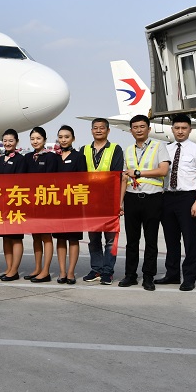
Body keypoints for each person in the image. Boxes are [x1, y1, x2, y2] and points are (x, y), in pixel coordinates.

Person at [157, 114, 196, 292]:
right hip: (167, 198)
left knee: (190, 240)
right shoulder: (165, 149)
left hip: (187, 198)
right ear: (172, 129)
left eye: (184, 128)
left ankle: (189, 278)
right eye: (177, 128)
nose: (180, 131)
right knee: (171, 240)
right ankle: (172, 274)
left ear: (190, 130)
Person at [120, 115, 170, 291]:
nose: (139, 130)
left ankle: (148, 276)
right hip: (131, 198)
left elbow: (163, 170)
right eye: (135, 127)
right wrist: (120, 203)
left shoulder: (159, 146)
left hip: (152, 198)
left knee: (151, 240)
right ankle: (130, 275)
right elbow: (125, 178)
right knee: (131, 241)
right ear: (131, 130)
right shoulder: (128, 150)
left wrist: (139, 173)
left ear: (149, 129)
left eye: (142, 126)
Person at [81, 118, 125, 285]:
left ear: (108, 130)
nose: (98, 130)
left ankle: (108, 271)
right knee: (93, 239)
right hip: (90, 202)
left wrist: (119, 203)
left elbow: (117, 176)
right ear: (91, 130)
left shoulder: (115, 149)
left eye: (102, 128)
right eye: (95, 128)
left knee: (111, 239)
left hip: (109, 202)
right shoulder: (84, 149)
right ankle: (96, 269)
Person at [24, 126, 59, 282]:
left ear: (44, 140)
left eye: (38, 138)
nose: (35, 141)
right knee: (35, 237)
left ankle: (46, 271)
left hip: (45, 202)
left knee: (46, 237)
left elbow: (51, 181)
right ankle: (37, 268)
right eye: (32, 139)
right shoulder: (27, 157)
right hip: (31, 203)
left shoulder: (51, 157)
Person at [53, 125, 87, 284]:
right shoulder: (53, 157)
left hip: (73, 204)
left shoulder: (79, 157)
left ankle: (71, 272)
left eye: (66, 137)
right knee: (60, 239)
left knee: (73, 239)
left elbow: (83, 180)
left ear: (73, 138)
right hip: (57, 204)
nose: (63, 140)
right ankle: (62, 272)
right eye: (60, 137)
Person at [0, 129, 28, 282]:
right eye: (5, 140)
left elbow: (20, 182)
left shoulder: (20, 160)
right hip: (2, 205)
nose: (7, 143)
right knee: (5, 238)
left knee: (16, 238)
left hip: (15, 204)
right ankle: (9, 268)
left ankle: (14, 270)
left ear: (16, 142)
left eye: (11, 140)